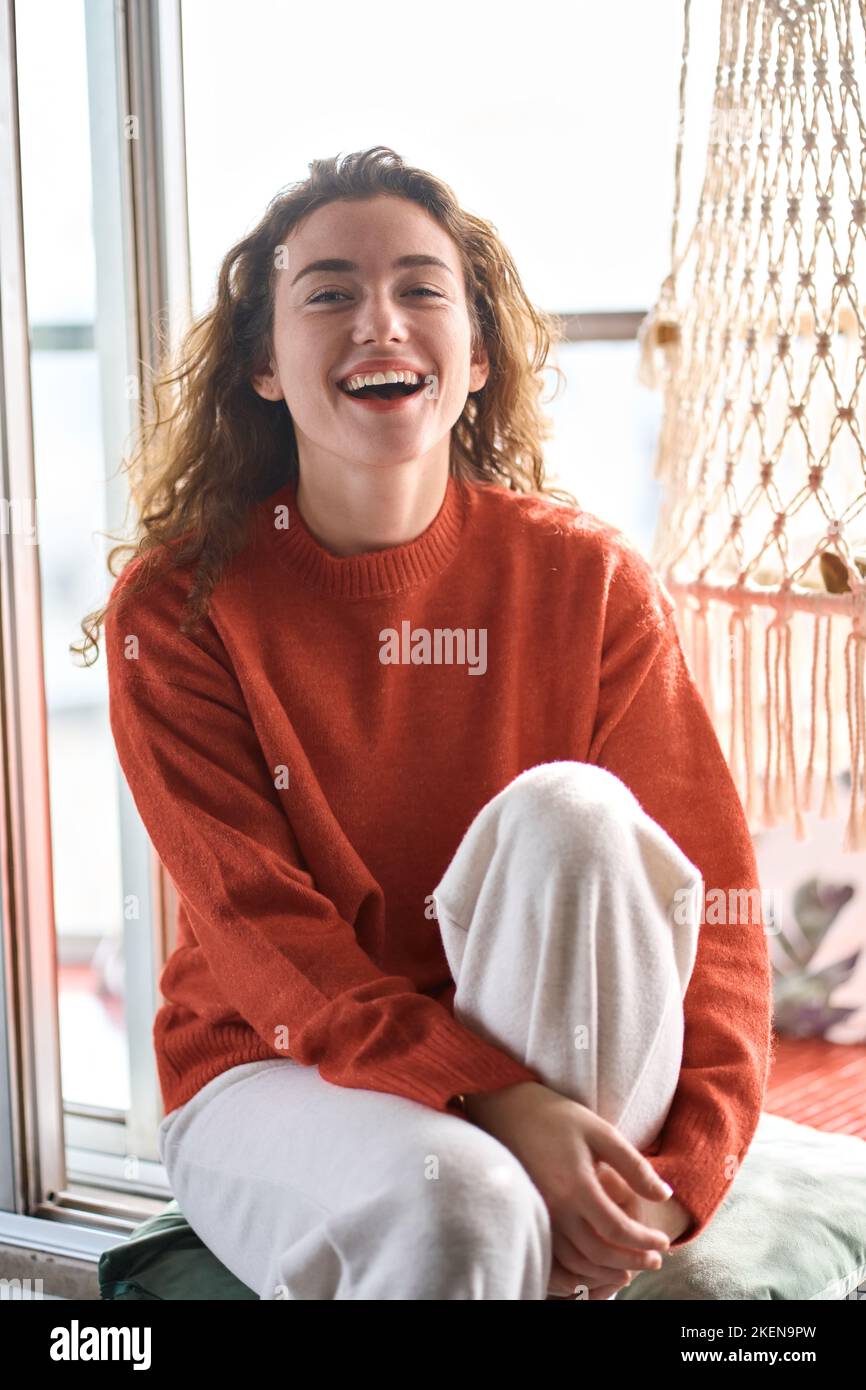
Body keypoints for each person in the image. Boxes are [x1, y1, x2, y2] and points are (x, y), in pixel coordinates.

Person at [75, 146, 773, 1300]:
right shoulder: (180, 606)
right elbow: (260, 936)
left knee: (574, 813)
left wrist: (681, 1169)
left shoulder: (587, 580)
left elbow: (716, 914)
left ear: (478, 354)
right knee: (464, 1202)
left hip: (572, 1055)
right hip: (272, 1069)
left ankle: (568, 1226)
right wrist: (490, 1101)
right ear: (260, 363)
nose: (378, 321)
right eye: (330, 293)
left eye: (418, 288)